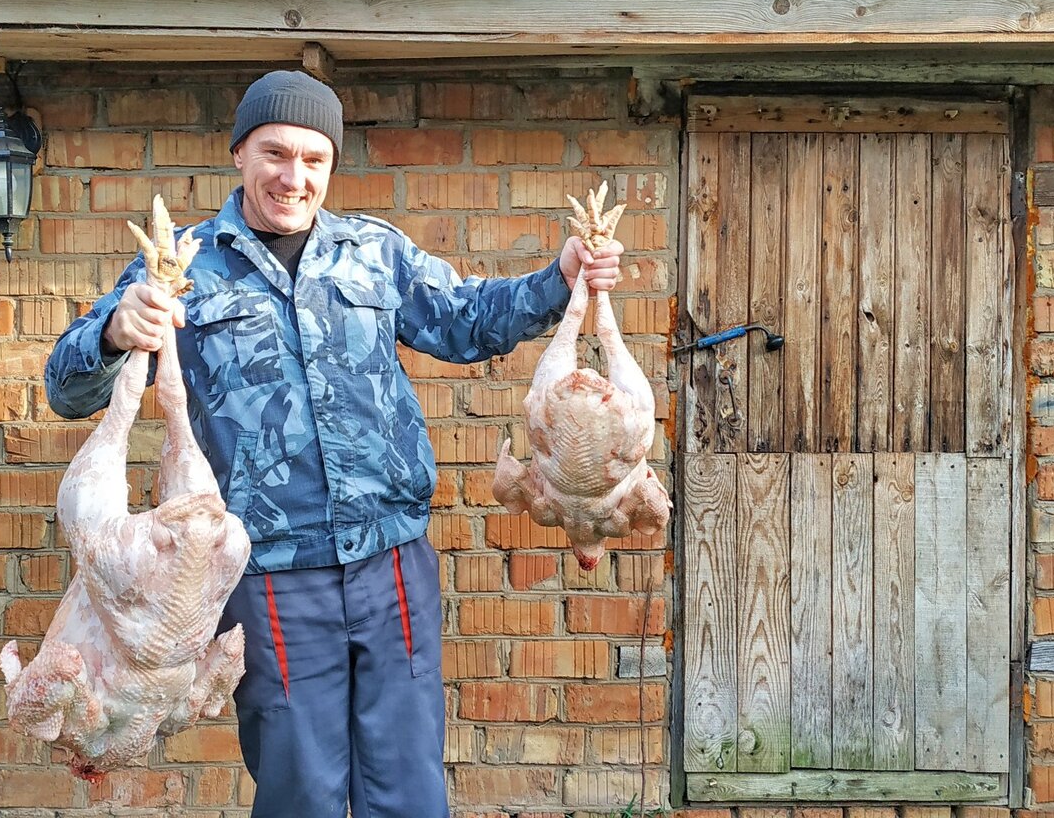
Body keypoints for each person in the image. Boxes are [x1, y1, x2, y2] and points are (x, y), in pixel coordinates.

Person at [44, 70, 624, 818]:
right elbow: (67, 386)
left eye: (314, 159)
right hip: (273, 576)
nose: (294, 177)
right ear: (239, 155)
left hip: (391, 562)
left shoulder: (372, 253)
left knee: (409, 787)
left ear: (331, 165)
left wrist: (561, 276)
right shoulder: (179, 266)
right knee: (300, 790)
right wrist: (115, 331)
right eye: (275, 154)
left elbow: (468, 320)